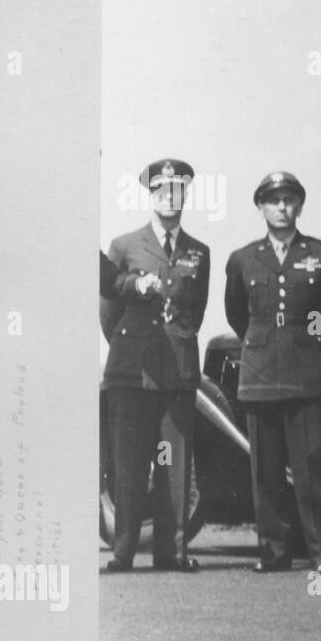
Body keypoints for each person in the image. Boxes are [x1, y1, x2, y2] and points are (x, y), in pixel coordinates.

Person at [224, 172, 321, 574]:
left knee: (314, 468)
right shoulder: (243, 259)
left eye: (290, 200)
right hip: (260, 378)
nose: (282, 207)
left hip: (307, 376)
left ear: (300, 206)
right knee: (265, 472)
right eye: (274, 200)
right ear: (260, 207)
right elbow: (237, 314)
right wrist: (265, 346)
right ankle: (274, 552)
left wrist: (312, 346)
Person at [102, 159, 210, 573]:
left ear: (185, 195)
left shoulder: (199, 251)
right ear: (150, 195)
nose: (170, 196)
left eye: (177, 189)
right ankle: (123, 552)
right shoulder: (124, 245)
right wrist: (132, 346)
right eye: (161, 189)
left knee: (171, 459)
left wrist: (176, 346)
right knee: (129, 461)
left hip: (176, 373)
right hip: (131, 370)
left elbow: (193, 313)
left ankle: (172, 551)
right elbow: (109, 311)